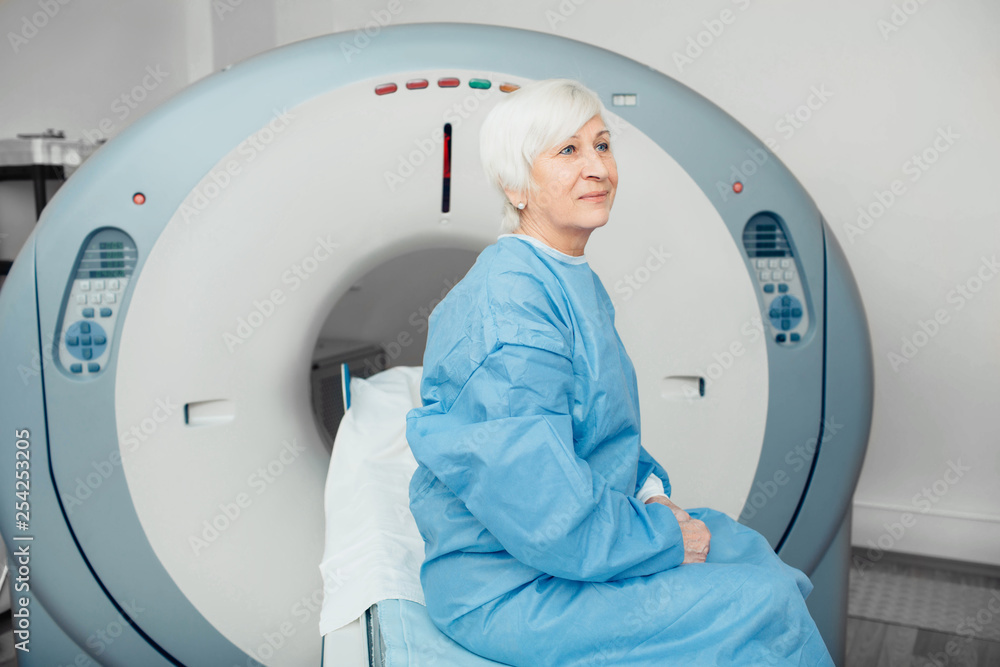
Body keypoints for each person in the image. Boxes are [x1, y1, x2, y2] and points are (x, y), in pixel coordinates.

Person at [405, 78, 834, 666]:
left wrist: (653, 498)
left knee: (748, 552)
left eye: (602, 145)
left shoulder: (570, 278)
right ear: (515, 184)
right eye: (567, 151)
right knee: (762, 603)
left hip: (573, 545)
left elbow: (604, 433)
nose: (597, 167)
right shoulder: (509, 302)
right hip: (507, 585)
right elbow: (538, 501)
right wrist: (660, 537)